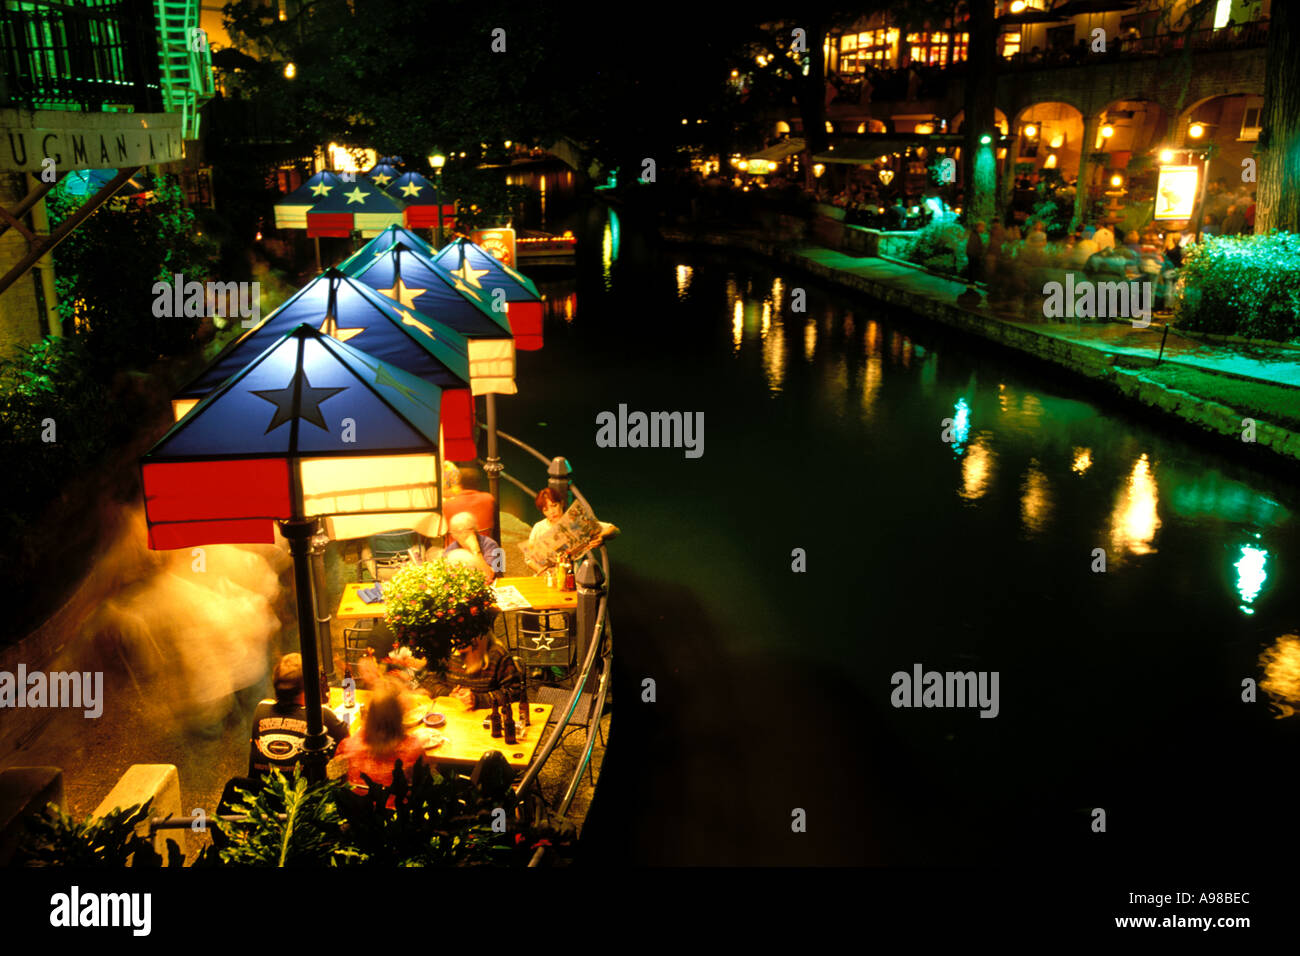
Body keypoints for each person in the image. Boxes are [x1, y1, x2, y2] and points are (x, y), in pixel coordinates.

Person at [247, 653, 350, 777]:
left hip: (260, 793)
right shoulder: (321, 714)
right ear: (309, 687)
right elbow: (348, 742)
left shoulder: (261, 709)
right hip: (304, 795)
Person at [335, 684, 426, 797]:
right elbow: (423, 783)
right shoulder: (413, 749)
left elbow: (333, 780)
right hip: (398, 812)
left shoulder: (347, 746)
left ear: (369, 716)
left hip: (357, 811)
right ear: (400, 717)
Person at [423, 627, 522, 710]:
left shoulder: (497, 655)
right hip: (452, 714)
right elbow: (429, 681)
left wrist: (477, 699)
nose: (457, 641)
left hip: (485, 718)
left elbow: (514, 692)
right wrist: (449, 694)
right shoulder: (446, 651)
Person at [442, 462, 496, 544]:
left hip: (455, 551)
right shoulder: (489, 499)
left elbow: (443, 531)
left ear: (459, 485)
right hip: (485, 546)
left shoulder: (448, 505)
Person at [443, 512, 503, 581]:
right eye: (453, 532)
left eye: (461, 531)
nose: (455, 536)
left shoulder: (490, 545)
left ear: (473, 530)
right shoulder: (450, 549)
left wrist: (476, 550)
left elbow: (489, 576)